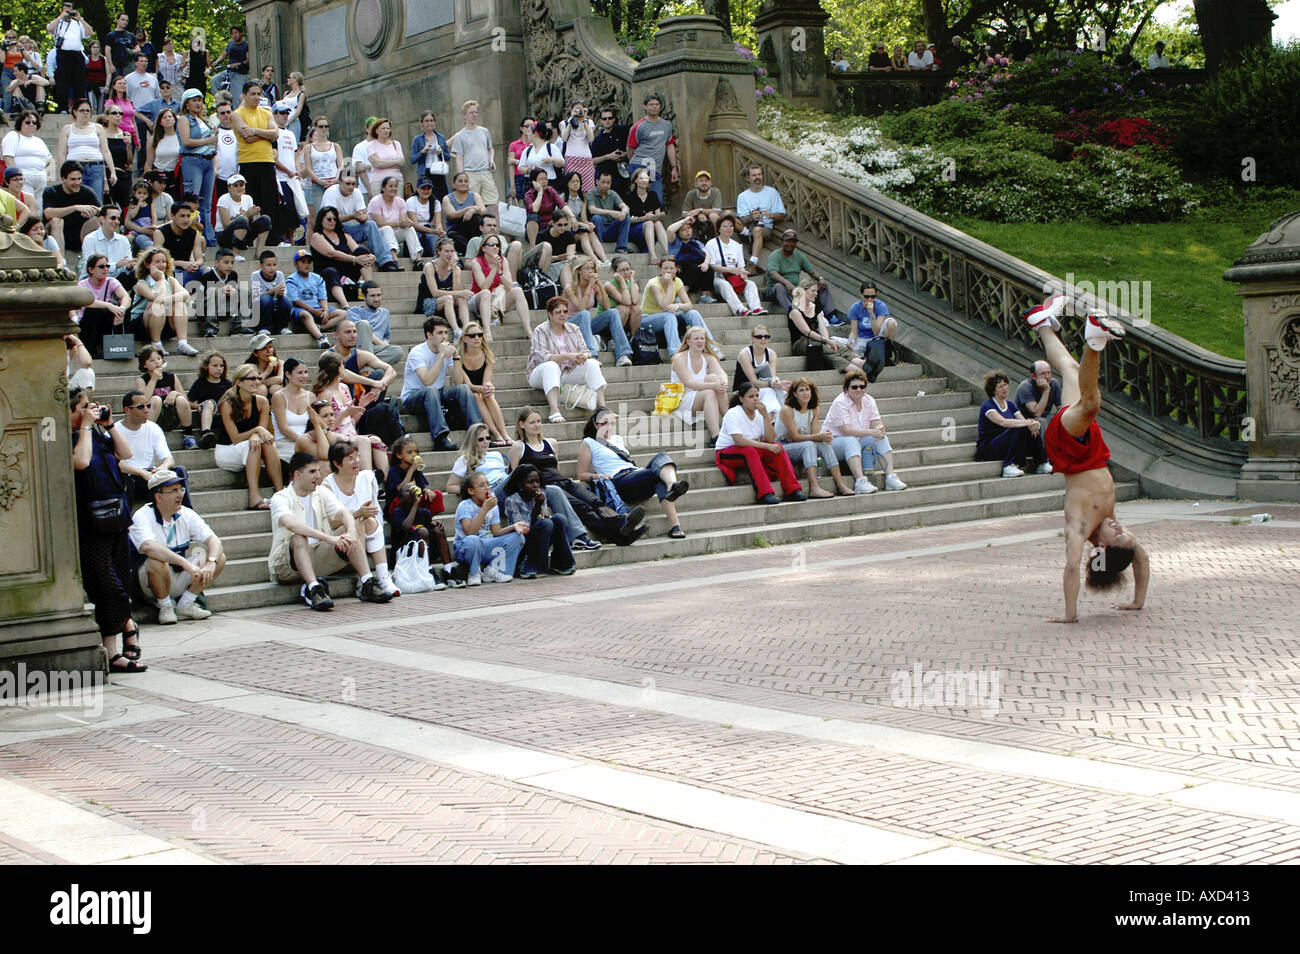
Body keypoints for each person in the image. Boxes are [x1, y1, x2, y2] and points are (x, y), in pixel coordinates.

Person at [1023, 297, 1149, 622]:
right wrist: (1137, 601)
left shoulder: (1079, 526)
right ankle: (1042, 323)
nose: (1121, 528)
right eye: (1124, 534)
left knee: (1091, 405)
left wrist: (1070, 614)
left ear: (1102, 549)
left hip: (1069, 447)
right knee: (1072, 371)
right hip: (1091, 448)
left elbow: (1069, 567)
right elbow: (1142, 560)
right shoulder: (1116, 532)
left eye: (1117, 536)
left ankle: (1094, 339)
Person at [71, 386, 144, 673]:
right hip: (91, 524)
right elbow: (81, 462)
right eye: (83, 407)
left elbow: (126, 453)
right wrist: (86, 427)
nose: (90, 410)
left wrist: (109, 425)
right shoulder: (71, 438)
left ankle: (113, 654)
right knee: (108, 587)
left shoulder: (99, 434)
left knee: (119, 585)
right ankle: (128, 625)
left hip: (117, 517)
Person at [268, 451, 391, 609]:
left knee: (355, 523)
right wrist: (328, 538)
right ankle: (314, 589)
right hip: (286, 566)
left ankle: (367, 582)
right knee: (299, 536)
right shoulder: (281, 497)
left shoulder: (321, 492)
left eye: (319, 471)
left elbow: (344, 513)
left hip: (317, 555)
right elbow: (291, 524)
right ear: (297, 475)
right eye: (312, 471)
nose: (318, 476)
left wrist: (352, 533)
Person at [508, 407, 643, 546]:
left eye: (539, 421)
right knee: (583, 508)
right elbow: (515, 476)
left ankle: (621, 525)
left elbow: (556, 468)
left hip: (563, 481)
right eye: (532, 422)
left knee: (594, 501)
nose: (537, 425)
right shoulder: (518, 446)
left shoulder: (551, 443)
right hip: (546, 486)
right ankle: (619, 533)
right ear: (522, 424)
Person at [128, 468, 224, 624]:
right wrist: (186, 564)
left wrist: (211, 562)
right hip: (147, 583)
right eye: (173, 490)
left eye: (181, 489)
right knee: (156, 560)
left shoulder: (186, 514)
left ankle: (185, 605)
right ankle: (165, 607)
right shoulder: (142, 515)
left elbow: (214, 540)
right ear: (158, 496)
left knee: (218, 556)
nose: (180, 494)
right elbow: (148, 547)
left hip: (178, 576)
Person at [579, 408, 689, 539]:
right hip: (619, 481)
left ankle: (673, 486)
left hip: (634, 476)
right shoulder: (589, 442)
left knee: (662, 457)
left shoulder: (617, 439)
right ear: (595, 424)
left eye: (612, 423)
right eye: (604, 423)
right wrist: (599, 476)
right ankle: (674, 525)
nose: (609, 426)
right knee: (657, 475)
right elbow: (581, 474)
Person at [322, 440, 400, 598]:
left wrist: (365, 515)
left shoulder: (366, 477)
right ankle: (363, 580)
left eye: (357, 457)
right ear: (337, 463)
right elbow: (330, 524)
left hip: (367, 530)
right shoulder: (327, 486)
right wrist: (357, 513)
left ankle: (383, 577)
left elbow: (375, 513)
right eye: (350, 458)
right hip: (338, 536)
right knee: (357, 522)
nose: (356, 461)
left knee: (369, 522)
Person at [715, 381, 806, 505]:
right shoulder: (733, 413)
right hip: (727, 452)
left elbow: (770, 439)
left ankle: (792, 490)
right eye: (751, 397)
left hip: (750, 449)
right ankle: (764, 493)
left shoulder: (759, 415)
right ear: (741, 399)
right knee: (750, 451)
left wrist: (765, 417)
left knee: (778, 447)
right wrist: (766, 446)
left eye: (757, 396)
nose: (755, 399)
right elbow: (739, 441)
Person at [401, 315, 483, 451]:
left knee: (463, 389)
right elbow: (427, 381)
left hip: (437, 394)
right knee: (431, 389)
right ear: (429, 335)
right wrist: (441, 356)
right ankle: (441, 437)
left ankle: (478, 433)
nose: (444, 337)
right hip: (413, 397)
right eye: (440, 333)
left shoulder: (447, 350)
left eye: (446, 333)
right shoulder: (417, 352)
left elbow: (458, 382)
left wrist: (456, 357)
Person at [822, 369, 908, 494]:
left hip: (857, 440)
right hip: (833, 443)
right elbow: (846, 431)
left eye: (862, 386)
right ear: (846, 389)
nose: (859, 390)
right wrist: (871, 432)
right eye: (854, 387)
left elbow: (876, 422)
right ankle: (860, 482)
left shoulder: (869, 400)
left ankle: (890, 477)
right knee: (850, 440)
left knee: (881, 436)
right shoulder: (840, 402)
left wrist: (879, 429)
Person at [526, 296, 608, 424]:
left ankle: (602, 408)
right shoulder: (540, 330)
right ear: (550, 314)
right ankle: (554, 410)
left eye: (565, 311)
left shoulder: (574, 329)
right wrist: (568, 356)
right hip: (540, 373)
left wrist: (583, 357)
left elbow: (586, 351)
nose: (562, 315)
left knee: (592, 364)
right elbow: (542, 357)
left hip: (567, 371)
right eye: (558, 312)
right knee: (551, 365)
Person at [216, 362, 284, 510]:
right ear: (239, 382)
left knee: (267, 442)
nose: (257, 382)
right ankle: (254, 496)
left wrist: (257, 432)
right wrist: (257, 431)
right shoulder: (227, 403)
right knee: (253, 444)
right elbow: (234, 438)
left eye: (258, 378)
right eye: (251, 378)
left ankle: (281, 493)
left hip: (250, 446)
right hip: (227, 450)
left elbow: (263, 433)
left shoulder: (262, 402)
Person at [114, 383, 192, 507]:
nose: (146, 410)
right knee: (125, 481)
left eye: (148, 405)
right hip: (131, 477)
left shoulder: (153, 428)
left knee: (179, 471)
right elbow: (117, 464)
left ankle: (186, 514)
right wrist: (141, 473)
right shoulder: (114, 431)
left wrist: (163, 467)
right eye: (140, 407)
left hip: (152, 476)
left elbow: (168, 458)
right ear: (127, 410)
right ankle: (124, 523)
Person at [313, 352, 388, 475]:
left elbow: (351, 422)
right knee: (364, 441)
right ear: (337, 369)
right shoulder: (325, 394)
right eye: (342, 366)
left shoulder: (344, 388)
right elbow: (327, 428)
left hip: (350, 433)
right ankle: (367, 480)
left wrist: (362, 405)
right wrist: (345, 412)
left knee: (376, 440)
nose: (345, 369)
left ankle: (383, 484)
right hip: (335, 436)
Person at [385, 435, 453, 567]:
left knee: (437, 494)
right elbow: (400, 489)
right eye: (409, 452)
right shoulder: (394, 471)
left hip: (413, 504)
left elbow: (424, 485)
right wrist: (411, 470)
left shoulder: (417, 470)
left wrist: (427, 490)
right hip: (398, 506)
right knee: (406, 497)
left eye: (416, 452)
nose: (414, 455)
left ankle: (423, 519)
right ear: (399, 455)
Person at [778, 378, 851, 498]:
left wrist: (824, 437)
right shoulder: (787, 409)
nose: (805, 393)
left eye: (807, 389)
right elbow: (796, 437)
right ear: (795, 394)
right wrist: (817, 437)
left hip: (802, 443)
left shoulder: (814, 409)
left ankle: (840, 484)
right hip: (783, 446)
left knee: (824, 445)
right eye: (801, 390)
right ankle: (814, 487)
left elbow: (815, 435)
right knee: (809, 445)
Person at [501, 465, 576, 578]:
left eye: (537, 481)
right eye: (530, 482)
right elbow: (523, 528)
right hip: (521, 542)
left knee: (560, 519)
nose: (535, 485)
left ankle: (561, 564)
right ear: (520, 484)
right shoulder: (512, 500)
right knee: (546, 524)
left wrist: (544, 513)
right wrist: (537, 507)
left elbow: (543, 519)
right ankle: (528, 566)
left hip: (541, 537)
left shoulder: (541, 495)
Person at [453, 471, 524, 585]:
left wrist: (514, 526)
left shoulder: (492, 506)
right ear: (471, 491)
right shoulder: (465, 505)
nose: (487, 488)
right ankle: (474, 573)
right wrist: (484, 509)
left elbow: (496, 532)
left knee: (518, 537)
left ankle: (492, 570)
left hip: (487, 545)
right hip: (466, 548)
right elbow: (470, 532)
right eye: (481, 486)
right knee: (473, 540)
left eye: (488, 484)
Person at [976, 370, 1048, 478]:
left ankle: (1041, 463)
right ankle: (1008, 466)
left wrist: (1032, 425)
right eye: (1000, 386)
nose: (1004, 388)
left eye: (1005, 385)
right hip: (990, 447)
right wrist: (1027, 422)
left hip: (1008, 442)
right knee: (1017, 427)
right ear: (993, 390)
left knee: (1028, 428)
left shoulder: (1010, 404)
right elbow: (1003, 422)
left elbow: (1022, 421)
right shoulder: (988, 405)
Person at [321, 171, 396, 270]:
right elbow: (331, 219)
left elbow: (363, 213)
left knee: (371, 224)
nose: (351, 187)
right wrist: (353, 216)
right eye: (348, 184)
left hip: (348, 230)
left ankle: (386, 261)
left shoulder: (357, 192)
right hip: (331, 231)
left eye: (353, 184)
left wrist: (362, 218)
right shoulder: (331, 192)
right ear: (339, 182)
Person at [639, 257, 714, 357]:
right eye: (665, 268)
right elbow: (664, 306)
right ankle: (676, 352)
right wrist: (670, 284)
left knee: (693, 313)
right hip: (648, 319)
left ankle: (712, 348)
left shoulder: (678, 281)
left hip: (667, 317)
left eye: (671, 268)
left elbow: (689, 305)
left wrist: (679, 305)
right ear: (660, 270)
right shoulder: (653, 283)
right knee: (669, 316)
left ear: (676, 269)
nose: (668, 271)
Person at [567, 255, 633, 368]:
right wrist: (590, 286)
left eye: (592, 268)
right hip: (570, 324)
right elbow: (581, 308)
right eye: (587, 268)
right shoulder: (570, 288)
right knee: (585, 314)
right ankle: (592, 355)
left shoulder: (594, 287)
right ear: (578, 270)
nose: (590, 271)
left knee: (613, 312)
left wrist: (600, 286)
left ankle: (623, 354)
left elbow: (607, 307)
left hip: (586, 325)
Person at [128, 248, 195, 355]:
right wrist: (160, 279)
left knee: (179, 303)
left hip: (164, 324)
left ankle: (182, 343)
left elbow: (185, 294)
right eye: (157, 262)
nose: (161, 265)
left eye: (163, 262)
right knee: (156, 307)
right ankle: (156, 344)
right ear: (147, 265)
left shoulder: (170, 280)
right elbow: (156, 298)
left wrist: (166, 300)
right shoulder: (141, 284)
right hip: (142, 326)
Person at [231, 81, 279, 228]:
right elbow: (248, 138)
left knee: (270, 201)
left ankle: (272, 238)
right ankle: (252, 235)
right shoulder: (236, 114)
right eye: (253, 94)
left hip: (267, 160)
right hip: (248, 162)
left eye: (259, 94)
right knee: (252, 201)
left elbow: (276, 134)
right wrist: (266, 134)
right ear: (244, 95)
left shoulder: (266, 113)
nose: (257, 97)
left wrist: (255, 130)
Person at [309, 205, 377, 307]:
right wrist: (355, 259)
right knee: (330, 271)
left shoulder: (343, 235)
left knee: (362, 251)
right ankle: (345, 306)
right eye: (329, 219)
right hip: (326, 275)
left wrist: (369, 256)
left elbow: (357, 250)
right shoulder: (317, 236)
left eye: (335, 219)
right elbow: (331, 253)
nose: (332, 221)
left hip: (344, 274)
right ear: (321, 220)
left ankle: (370, 290)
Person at [669, 326, 727, 443]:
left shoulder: (708, 357)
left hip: (699, 395)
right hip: (682, 398)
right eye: (696, 339)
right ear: (688, 341)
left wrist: (722, 382)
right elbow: (689, 383)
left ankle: (728, 417)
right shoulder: (679, 358)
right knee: (710, 392)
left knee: (714, 378)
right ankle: (715, 436)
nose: (700, 341)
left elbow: (722, 373)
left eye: (702, 338)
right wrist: (713, 386)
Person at [455, 322, 511, 445]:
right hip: (467, 394)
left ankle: (504, 433)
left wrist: (487, 387)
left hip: (483, 393)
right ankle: (495, 433)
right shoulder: (459, 357)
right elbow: (466, 385)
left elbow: (487, 381)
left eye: (480, 335)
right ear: (464, 338)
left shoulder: (488, 355)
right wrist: (482, 389)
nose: (477, 338)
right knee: (476, 395)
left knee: (487, 394)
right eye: (472, 335)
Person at [470, 231, 533, 339]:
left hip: (498, 299)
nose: (495, 247)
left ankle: (528, 330)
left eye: (497, 245)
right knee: (486, 293)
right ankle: (487, 331)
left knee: (517, 291)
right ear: (483, 248)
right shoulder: (477, 262)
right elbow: (483, 286)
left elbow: (509, 286)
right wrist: (493, 268)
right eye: (491, 244)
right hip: (478, 300)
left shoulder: (503, 260)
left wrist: (499, 271)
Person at [766, 229, 834, 321]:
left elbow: (812, 271)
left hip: (795, 289)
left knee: (821, 285)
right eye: (788, 241)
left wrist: (820, 278)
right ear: (782, 242)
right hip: (776, 290)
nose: (790, 244)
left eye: (793, 241)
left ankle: (830, 316)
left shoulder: (799, 256)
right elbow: (772, 273)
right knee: (779, 286)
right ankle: (794, 315)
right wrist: (786, 283)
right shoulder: (775, 256)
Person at [177, 89, 217, 242]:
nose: (198, 103)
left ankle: (209, 238)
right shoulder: (184, 119)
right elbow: (186, 141)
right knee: (191, 202)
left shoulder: (203, 121)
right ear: (187, 103)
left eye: (199, 100)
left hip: (207, 160)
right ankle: (191, 237)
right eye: (194, 100)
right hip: (192, 161)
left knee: (206, 204)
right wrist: (208, 141)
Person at [706, 213, 764, 316]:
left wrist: (743, 272)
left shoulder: (736, 245)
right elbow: (712, 266)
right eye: (725, 226)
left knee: (750, 284)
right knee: (724, 284)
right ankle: (740, 309)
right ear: (719, 229)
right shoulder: (712, 244)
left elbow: (740, 266)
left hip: (733, 277)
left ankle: (756, 308)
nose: (728, 228)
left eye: (731, 226)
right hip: (717, 278)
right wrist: (729, 270)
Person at [286, 249, 344, 348]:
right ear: (295, 264)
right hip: (302, 309)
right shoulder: (292, 279)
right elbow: (296, 301)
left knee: (344, 313)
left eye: (309, 262)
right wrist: (313, 311)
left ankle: (321, 327)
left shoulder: (318, 278)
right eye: (303, 262)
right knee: (306, 315)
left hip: (318, 308)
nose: (307, 265)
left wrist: (325, 311)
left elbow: (323, 297)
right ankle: (321, 338)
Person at [77, 252, 131, 357]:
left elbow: (126, 297)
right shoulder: (82, 284)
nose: (105, 269)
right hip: (87, 325)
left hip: (105, 324)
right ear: (91, 269)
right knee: (94, 311)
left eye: (107, 266)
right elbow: (86, 302)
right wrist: (108, 305)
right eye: (101, 266)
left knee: (123, 309)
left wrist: (122, 310)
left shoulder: (111, 281)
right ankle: (91, 350)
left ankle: (122, 349)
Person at [735, 163, 786, 274]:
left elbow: (782, 215)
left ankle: (753, 263)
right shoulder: (743, 196)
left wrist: (771, 215)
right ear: (748, 178)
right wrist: (751, 217)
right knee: (728, 216)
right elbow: (742, 218)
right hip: (747, 226)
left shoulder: (772, 192)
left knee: (757, 230)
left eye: (759, 174)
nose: (757, 177)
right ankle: (748, 233)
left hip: (764, 227)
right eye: (754, 175)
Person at [625, 92, 676, 201]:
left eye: (656, 104)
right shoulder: (638, 126)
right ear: (645, 106)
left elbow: (670, 145)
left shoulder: (667, 126)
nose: (654, 106)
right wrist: (636, 169)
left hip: (655, 168)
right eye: (651, 104)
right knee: (639, 200)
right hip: (639, 165)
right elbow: (630, 148)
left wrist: (674, 167)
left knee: (658, 200)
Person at [42, 160, 100, 255]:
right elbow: (48, 213)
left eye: (79, 179)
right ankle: (60, 262)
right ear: (63, 179)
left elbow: (102, 211)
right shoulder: (51, 191)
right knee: (56, 221)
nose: (77, 183)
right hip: (58, 233)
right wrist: (75, 208)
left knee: (96, 220)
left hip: (80, 233)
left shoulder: (88, 192)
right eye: (73, 179)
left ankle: (94, 259)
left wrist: (95, 211)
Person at [846, 281, 899, 380]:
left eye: (873, 296)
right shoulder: (855, 307)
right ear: (861, 295)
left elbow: (876, 331)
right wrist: (851, 340)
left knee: (891, 322)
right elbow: (854, 331)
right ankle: (865, 360)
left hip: (877, 339)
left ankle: (887, 353)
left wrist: (871, 313)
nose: (870, 299)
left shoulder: (880, 306)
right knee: (836, 341)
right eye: (867, 297)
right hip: (862, 339)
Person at [3, 110, 53, 214]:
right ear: (20, 123)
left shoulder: (39, 141)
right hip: (23, 179)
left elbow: (49, 159)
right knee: (27, 208)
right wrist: (17, 178)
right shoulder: (13, 136)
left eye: (34, 123)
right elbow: (8, 157)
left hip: (40, 178)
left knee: (39, 209)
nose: (31, 125)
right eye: (27, 122)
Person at [420, 237, 473, 334]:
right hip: (429, 301)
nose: (450, 254)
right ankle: (456, 331)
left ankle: (467, 329)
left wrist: (455, 271)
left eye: (452, 251)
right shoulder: (430, 266)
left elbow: (456, 291)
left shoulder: (456, 268)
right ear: (438, 251)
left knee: (461, 298)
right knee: (448, 298)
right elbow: (435, 293)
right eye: (446, 251)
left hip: (448, 301)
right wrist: (459, 292)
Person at [733, 324, 789, 415]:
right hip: (744, 390)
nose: (763, 339)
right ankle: (773, 420)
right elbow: (753, 381)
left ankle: (773, 419)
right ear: (752, 339)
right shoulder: (745, 354)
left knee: (780, 392)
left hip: (763, 387)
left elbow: (772, 377)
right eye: (759, 337)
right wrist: (771, 384)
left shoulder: (771, 354)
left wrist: (777, 383)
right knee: (769, 391)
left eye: (766, 337)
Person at [450, 99, 498, 204]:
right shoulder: (460, 136)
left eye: (476, 112)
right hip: (470, 174)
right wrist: (461, 176)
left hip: (486, 173)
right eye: (471, 112)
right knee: (472, 205)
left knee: (493, 204)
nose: (474, 115)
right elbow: (459, 158)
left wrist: (491, 160)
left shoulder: (485, 131)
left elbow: (490, 149)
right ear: (464, 115)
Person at [193, 246, 248, 337]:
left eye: (232, 262)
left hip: (224, 309)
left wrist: (233, 292)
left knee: (245, 292)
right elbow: (200, 299)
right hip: (205, 310)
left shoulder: (233, 275)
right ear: (216, 263)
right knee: (212, 290)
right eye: (226, 262)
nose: (230, 265)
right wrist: (220, 290)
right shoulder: (207, 276)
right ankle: (211, 328)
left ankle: (239, 327)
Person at [272, 356, 319, 461]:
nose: (304, 376)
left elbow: (315, 424)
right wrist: (304, 442)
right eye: (300, 373)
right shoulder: (279, 396)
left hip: (307, 441)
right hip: (285, 443)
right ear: (288, 374)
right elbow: (283, 429)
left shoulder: (311, 396)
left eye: (306, 372)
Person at [47, 3, 92, 113]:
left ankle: (80, 107)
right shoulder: (59, 23)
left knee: (79, 83)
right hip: (63, 54)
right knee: (63, 83)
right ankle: (63, 107)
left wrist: (80, 19)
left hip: (77, 55)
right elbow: (50, 28)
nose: (68, 13)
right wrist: (61, 17)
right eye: (66, 10)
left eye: (69, 10)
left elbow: (89, 32)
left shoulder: (77, 23)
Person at [344, 284, 404, 366]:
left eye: (379, 295)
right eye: (372, 296)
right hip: (358, 348)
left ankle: (361, 364)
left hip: (376, 349)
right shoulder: (354, 311)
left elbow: (386, 336)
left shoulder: (385, 313)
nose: (376, 299)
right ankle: (367, 368)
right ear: (364, 296)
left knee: (398, 351)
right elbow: (359, 332)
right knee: (363, 324)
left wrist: (384, 344)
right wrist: (381, 343)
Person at [368, 174, 421, 263]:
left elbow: (402, 221)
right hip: (378, 234)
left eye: (396, 186)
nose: (394, 188)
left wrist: (406, 223)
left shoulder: (400, 201)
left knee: (409, 229)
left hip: (394, 233)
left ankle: (417, 258)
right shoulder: (375, 201)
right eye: (391, 186)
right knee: (387, 229)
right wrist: (399, 224)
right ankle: (393, 258)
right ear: (383, 188)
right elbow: (379, 224)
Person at [215, 172, 272, 254]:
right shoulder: (223, 199)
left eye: (241, 185)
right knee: (243, 220)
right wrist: (246, 214)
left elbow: (250, 222)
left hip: (244, 233)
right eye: (235, 185)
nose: (239, 188)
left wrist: (254, 214)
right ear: (229, 188)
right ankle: (235, 253)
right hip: (224, 235)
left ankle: (259, 253)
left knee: (265, 219)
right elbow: (226, 223)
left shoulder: (248, 198)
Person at [304, 115, 342, 234]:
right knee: (320, 215)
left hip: (333, 182)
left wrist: (336, 179)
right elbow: (308, 168)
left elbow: (341, 165)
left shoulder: (335, 146)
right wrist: (319, 181)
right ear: (315, 128)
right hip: (317, 183)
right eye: (321, 126)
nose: (324, 129)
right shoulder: (309, 148)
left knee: (335, 213)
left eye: (326, 126)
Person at [560, 171, 607, 265]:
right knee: (584, 235)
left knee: (591, 233)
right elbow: (565, 219)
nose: (575, 184)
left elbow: (584, 218)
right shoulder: (562, 198)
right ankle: (595, 261)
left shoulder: (582, 199)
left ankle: (604, 259)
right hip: (567, 229)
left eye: (577, 181)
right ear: (567, 183)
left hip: (578, 227)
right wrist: (583, 224)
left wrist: (588, 224)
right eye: (572, 181)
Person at [155, 200, 206, 286]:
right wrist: (181, 263)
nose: (186, 220)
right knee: (178, 277)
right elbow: (157, 261)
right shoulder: (160, 233)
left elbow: (200, 259)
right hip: (170, 271)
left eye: (188, 216)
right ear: (172, 215)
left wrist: (195, 264)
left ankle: (204, 297)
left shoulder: (194, 233)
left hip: (188, 270)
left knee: (208, 271)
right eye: (182, 216)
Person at [187, 350, 231, 448]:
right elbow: (188, 401)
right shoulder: (200, 383)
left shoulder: (227, 384)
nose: (219, 369)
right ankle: (205, 434)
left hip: (223, 415)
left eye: (221, 366)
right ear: (206, 367)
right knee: (210, 403)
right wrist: (198, 406)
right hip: (206, 416)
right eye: (215, 366)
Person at [80, 201, 134, 278]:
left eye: (118, 219)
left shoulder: (123, 240)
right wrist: (116, 265)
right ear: (102, 219)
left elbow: (127, 263)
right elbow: (92, 267)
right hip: (92, 281)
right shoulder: (90, 239)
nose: (117, 222)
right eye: (113, 218)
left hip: (117, 280)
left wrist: (129, 266)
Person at [665, 216, 713, 298]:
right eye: (683, 230)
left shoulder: (696, 242)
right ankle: (680, 295)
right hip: (680, 270)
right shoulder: (674, 242)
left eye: (689, 228)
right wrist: (685, 220)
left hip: (696, 274)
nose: (687, 231)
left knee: (708, 269)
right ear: (678, 233)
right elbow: (670, 230)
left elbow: (707, 254)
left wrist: (706, 263)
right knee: (693, 268)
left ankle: (705, 296)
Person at [585, 169, 631, 253]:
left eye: (608, 183)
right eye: (603, 182)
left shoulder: (613, 193)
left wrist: (623, 213)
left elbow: (625, 207)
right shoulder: (590, 194)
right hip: (597, 228)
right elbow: (592, 209)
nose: (606, 185)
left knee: (626, 217)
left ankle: (621, 247)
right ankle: (599, 247)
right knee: (596, 218)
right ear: (597, 181)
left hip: (610, 228)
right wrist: (610, 212)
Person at [441, 170, 486, 254]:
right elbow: (452, 215)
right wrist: (469, 208)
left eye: (466, 181)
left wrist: (472, 211)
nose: (463, 183)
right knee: (452, 236)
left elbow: (483, 211)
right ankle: (471, 250)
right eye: (460, 181)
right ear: (454, 184)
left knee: (475, 218)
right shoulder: (447, 198)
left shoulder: (475, 195)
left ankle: (475, 246)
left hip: (472, 230)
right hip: (456, 231)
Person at [1016, 360, 1063, 438]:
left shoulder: (1054, 383)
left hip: (1046, 417)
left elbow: (1061, 407)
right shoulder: (1025, 387)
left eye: (1049, 373)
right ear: (1034, 376)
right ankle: (1045, 449)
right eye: (1043, 374)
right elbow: (1037, 413)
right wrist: (1046, 391)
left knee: (1062, 417)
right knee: (1041, 421)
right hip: (1026, 421)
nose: (1047, 377)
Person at [410, 110, 450, 200]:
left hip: (439, 172)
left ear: (435, 122)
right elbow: (412, 159)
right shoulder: (418, 139)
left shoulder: (440, 137)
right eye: (426, 121)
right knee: (427, 199)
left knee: (442, 198)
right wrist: (422, 152)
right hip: (425, 173)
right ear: (421, 123)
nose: (429, 123)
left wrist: (441, 153)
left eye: (431, 120)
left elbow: (448, 157)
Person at [142, 106, 181, 198]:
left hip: (175, 175)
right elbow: (148, 163)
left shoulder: (180, 137)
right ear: (160, 122)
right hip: (159, 173)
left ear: (174, 119)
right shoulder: (154, 139)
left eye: (170, 117)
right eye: (164, 117)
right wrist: (147, 179)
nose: (168, 119)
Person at [250, 252, 292, 334]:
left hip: (276, 305)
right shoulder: (255, 275)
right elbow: (255, 298)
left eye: (274, 265)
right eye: (268, 265)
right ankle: (263, 327)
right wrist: (271, 291)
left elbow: (285, 293)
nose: (272, 268)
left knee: (286, 300)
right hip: (260, 309)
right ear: (261, 266)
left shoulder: (280, 275)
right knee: (266, 299)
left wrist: (280, 292)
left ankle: (283, 327)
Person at [406, 175, 443, 263]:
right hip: (416, 231)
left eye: (428, 188)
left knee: (438, 237)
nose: (426, 191)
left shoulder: (436, 202)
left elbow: (438, 223)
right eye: (423, 188)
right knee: (431, 235)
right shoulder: (411, 201)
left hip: (430, 230)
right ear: (418, 189)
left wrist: (439, 230)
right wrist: (433, 231)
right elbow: (414, 224)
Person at [679, 169, 722, 239]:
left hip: (711, 220)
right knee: (687, 219)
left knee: (714, 216)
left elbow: (717, 211)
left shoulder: (716, 192)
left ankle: (718, 240)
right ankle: (689, 242)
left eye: (706, 180)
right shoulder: (691, 194)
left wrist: (700, 210)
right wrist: (696, 215)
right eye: (701, 180)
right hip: (696, 220)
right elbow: (684, 213)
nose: (704, 183)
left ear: (710, 183)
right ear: (696, 183)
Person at [605, 256, 641, 339]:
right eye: (622, 270)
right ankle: (615, 339)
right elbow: (627, 302)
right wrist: (621, 281)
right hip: (607, 321)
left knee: (636, 308)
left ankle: (634, 339)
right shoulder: (608, 285)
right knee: (624, 308)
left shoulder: (633, 284)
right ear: (615, 272)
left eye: (628, 269)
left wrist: (632, 279)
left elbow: (635, 301)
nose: (626, 272)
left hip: (625, 321)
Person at [209, 25, 249, 97]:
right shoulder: (231, 44)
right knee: (214, 80)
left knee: (237, 97)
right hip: (229, 71)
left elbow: (247, 60)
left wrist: (238, 64)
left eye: (236, 33)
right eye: (232, 33)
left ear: (240, 33)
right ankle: (219, 100)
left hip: (240, 73)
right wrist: (216, 62)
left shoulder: (246, 45)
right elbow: (224, 55)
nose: (234, 35)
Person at [246, 332, 284, 396]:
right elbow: (249, 384)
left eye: (270, 347)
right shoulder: (249, 367)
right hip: (254, 398)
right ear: (255, 353)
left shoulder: (280, 363)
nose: (269, 351)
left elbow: (281, 379)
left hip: (274, 397)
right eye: (264, 348)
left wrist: (260, 381)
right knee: (261, 388)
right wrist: (267, 372)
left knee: (275, 388)